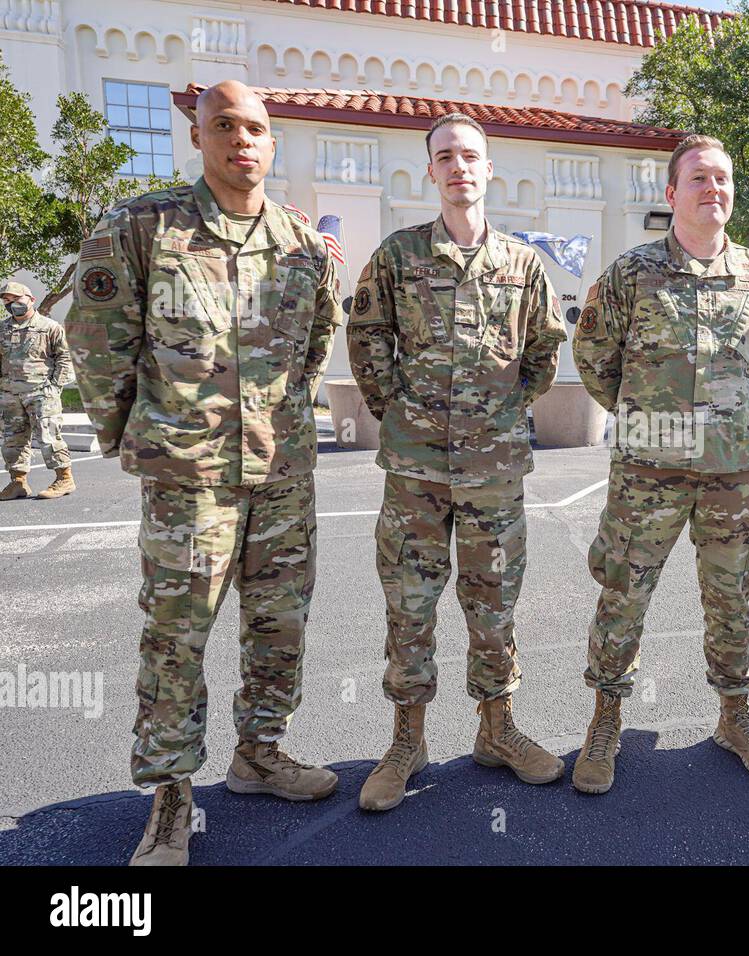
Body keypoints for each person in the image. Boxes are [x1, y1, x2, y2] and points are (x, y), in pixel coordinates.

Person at [65, 80, 344, 865]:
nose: (242, 140)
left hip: (283, 473)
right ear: (199, 136)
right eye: (225, 125)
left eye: (255, 127)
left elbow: (318, 341)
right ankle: (170, 794)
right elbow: (96, 338)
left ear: (272, 140)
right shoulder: (143, 226)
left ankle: (259, 754)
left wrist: (286, 419)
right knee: (177, 640)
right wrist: (138, 435)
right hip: (188, 479)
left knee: (279, 626)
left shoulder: (298, 240)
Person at [347, 113, 568, 812]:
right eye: (446, 157)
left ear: (489, 168)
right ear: (431, 171)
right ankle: (406, 741)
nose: (459, 167)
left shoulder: (523, 263)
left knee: (494, 606)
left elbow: (542, 351)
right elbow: (367, 336)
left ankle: (497, 729)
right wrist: (401, 411)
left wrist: (498, 415)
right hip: (414, 472)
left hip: (493, 473)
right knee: (409, 608)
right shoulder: (397, 255)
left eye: (470, 156)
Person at [570, 134, 749, 794]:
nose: (712, 188)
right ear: (672, 194)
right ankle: (605, 719)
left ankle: (735, 716)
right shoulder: (631, 273)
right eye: (698, 178)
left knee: (732, 598)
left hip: (731, 470)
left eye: (722, 178)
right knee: (624, 595)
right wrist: (644, 416)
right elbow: (594, 359)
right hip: (647, 472)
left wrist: (725, 420)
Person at [1, 280, 75, 500]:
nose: (12, 304)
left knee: (49, 436)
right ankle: (18, 482)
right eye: (7, 301)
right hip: (9, 394)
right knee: (13, 440)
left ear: (31, 300)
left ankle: (64, 478)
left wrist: (55, 386)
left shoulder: (49, 327)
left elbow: (65, 357)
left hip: (41, 392)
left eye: (16, 300)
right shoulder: (2, 329)